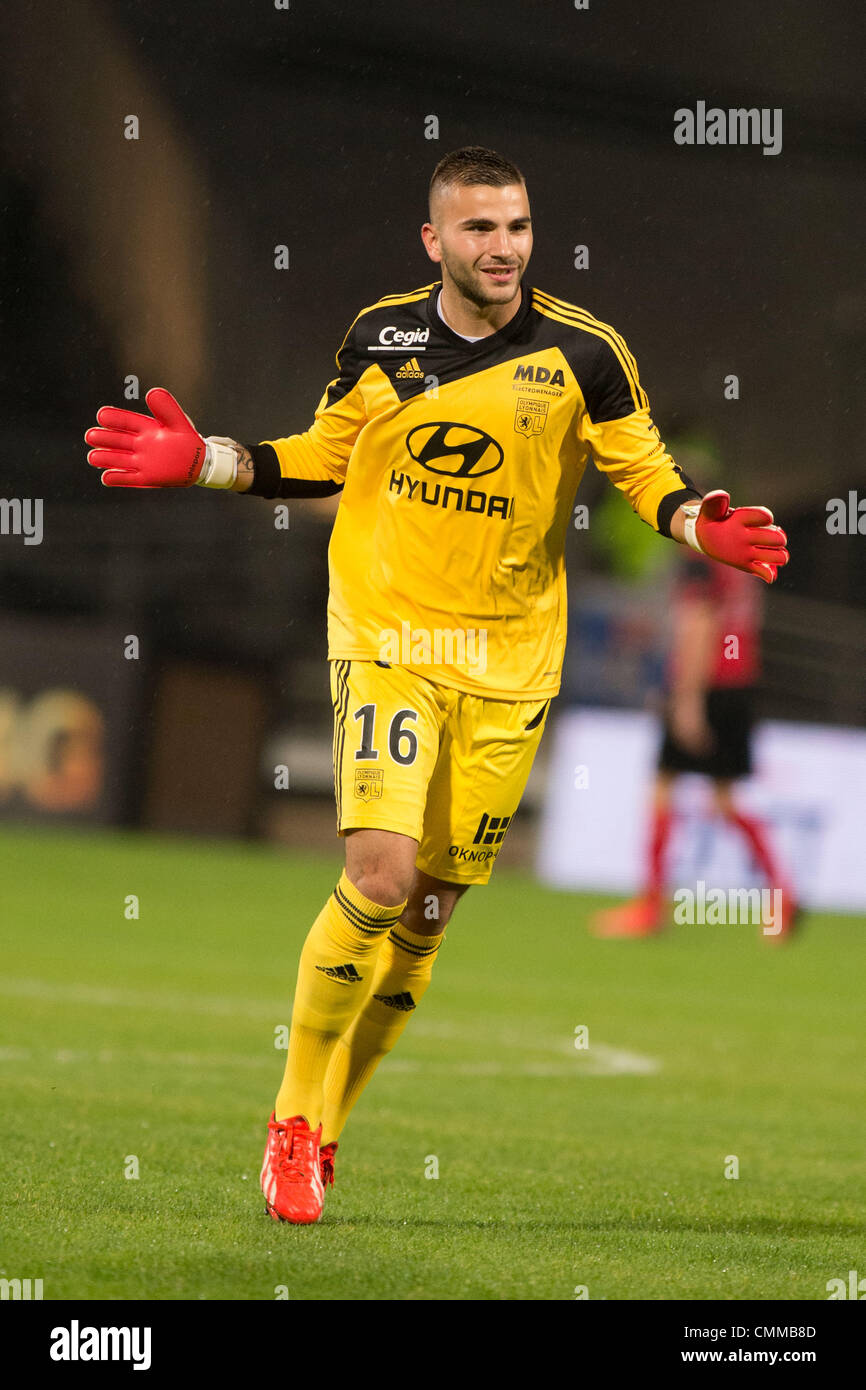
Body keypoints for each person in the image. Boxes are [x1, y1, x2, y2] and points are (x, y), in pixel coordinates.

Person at [84, 146, 789, 1224]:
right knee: (378, 871)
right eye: (476, 229)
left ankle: (327, 1133)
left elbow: (642, 466)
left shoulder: (585, 353)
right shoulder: (382, 337)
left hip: (508, 660)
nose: (500, 247)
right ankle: (286, 1117)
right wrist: (211, 461)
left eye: (513, 226)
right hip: (388, 637)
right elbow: (321, 454)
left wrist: (700, 523)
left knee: (427, 912)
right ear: (434, 241)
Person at [592, 548, 797, 939]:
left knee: (662, 790)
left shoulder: (698, 557)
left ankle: (650, 907)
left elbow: (698, 623)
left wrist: (687, 699)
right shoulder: (740, 556)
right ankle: (782, 895)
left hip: (707, 685)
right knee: (725, 800)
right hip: (739, 685)